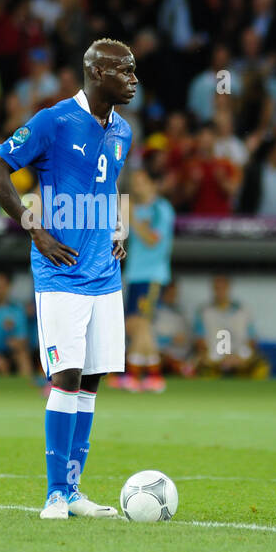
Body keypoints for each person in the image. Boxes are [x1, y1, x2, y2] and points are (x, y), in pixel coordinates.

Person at [0, 37, 135, 520]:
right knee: (65, 379)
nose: (133, 80)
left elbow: (105, 186)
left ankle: (72, 491)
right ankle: (52, 494)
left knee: (90, 382)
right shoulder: (54, 121)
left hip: (104, 275)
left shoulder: (123, 130)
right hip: (61, 272)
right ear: (96, 73)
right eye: (124, 71)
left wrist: (115, 228)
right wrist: (37, 233)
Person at [120, 168, 174, 392]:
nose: (136, 187)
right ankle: (151, 375)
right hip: (135, 275)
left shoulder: (161, 209)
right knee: (137, 325)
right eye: (134, 182)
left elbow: (152, 239)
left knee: (141, 324)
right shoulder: (134, 208)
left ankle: (138, 374)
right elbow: (119, 234)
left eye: (141, 182)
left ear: (153, 184)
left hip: (152, 275)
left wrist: (132, 217)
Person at [194, 274, 265, 378]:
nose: (220, 291)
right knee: (201, 365)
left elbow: (252, 339)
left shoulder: (243, 310)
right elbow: (200, 340)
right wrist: (221, 358)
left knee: (261, 365)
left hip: (240, 355)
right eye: (217, 288)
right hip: (214, 356)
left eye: (223, 288)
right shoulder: (204, 311)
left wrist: (237, 357)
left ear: (229, 288)